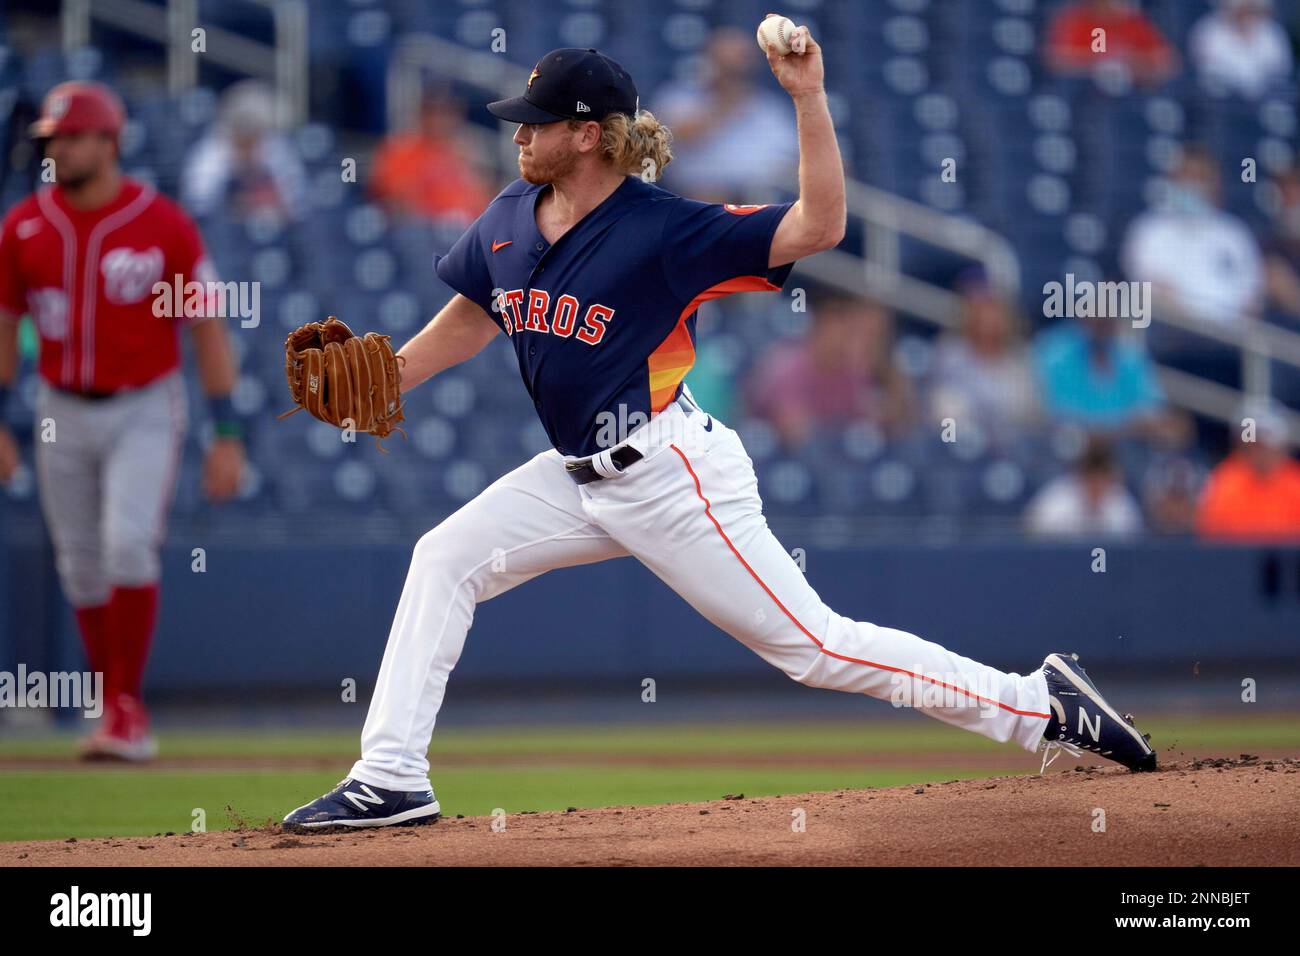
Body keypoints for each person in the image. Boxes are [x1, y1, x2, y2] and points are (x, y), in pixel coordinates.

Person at [282, 37, 1156, 832]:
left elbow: (820, 226)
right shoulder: (511, 214)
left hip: (671, 474)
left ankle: (1038, 703)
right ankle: (392, 775)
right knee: (443, 556)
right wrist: (388, 377)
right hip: (574, 474)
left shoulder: (663, 228)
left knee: (814, 647)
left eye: (537, 122)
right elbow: (476, 315)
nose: (519, 135)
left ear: (588, 134)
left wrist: (810, 96)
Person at [0, 82, 246, 760]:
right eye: (52, 141)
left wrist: (226, 433)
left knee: (127, 546)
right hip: (59, 407)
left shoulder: (161, 221)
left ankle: (128, 712)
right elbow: (4, 327)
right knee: (79, 566)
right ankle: (114, 709)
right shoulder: (23, 224)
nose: (59, 150)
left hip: (143, 403)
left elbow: (207, 328)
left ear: (109, 142)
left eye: (73, 138)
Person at [745, 294, 914, 451]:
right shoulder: (788, 365)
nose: (840, 338)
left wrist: (884, 367)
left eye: (847, 331)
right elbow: (795, 433)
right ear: (818, 328)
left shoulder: (851, 373)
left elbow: (884, 422)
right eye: (834, 327)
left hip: (829, 461)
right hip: (773, 459)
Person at [1121, 146, 1264, 331]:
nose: (1193, 185)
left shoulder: (1235, 233)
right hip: (1172, 334)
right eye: (1187, 176)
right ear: (1172, 180)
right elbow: (1150, 288)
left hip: (1231, 341)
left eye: (1200, 177)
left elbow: (1252, 297)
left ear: (1215, 184)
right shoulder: (1149, 230)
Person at [653, 27, 798, 203]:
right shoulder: (679, 97)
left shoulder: (767, 106)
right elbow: (677, 138)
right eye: (726, 65)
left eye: (741, 64)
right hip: (700, 192)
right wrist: (725, 105)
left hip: (763, 193)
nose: (734, 72)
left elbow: (792, 154)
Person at [927, 272, 1039, 451]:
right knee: (950, 405)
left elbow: (1030, 416)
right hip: (959, 443)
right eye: (982, 309)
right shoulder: (950, 353)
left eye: (994, 309)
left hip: (1011, 445)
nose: (988, 318)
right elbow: (944, 416)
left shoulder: (1021, 358)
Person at [179, 80, 308, 222]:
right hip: (223, 231)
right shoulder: (210, 152)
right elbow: (199, 207)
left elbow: (297, 202)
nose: (251, 131)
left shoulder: (274, 145)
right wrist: (243, 202)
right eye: (246, 124)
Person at [368, 90, 494, 227]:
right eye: (435, 112)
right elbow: (397, 201)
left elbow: (482, 205)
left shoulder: (469, 155)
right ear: (423, 115)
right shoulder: (400, 151)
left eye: (448, 113)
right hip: (420, 232)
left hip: (463, 232)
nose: (441, 120)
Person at [1197, 403, 1300, 541]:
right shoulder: (1224, 482)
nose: (1260, 453)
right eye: (1253, 445)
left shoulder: (1295, 482)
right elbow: (1212, 536)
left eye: (1264, 445)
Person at [1024, 437, 1144, 539]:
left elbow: (1132, 542)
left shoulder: (1121, 501)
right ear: (1082, 477)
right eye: (1092, 480)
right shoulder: (1058, 498)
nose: (1097, 487)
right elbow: (1033, 532)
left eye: (1103, 481)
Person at [1044, 0, 1178, 87]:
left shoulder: (1133, 23)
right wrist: (1097, 64)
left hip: (1131, 92)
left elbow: (1166, 63)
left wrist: (1130, 63)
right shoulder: (1077, 20)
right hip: (1084, 95)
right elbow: (1058, 60)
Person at [1188, 0, 1293, 99]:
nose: (1247, 13)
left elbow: (1280, 73)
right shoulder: (1207, 32)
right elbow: (1209, 78)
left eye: (1251, 8)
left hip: (1266, 103)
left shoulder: (1273, 33)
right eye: (1242, 8)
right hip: (1222, 105)